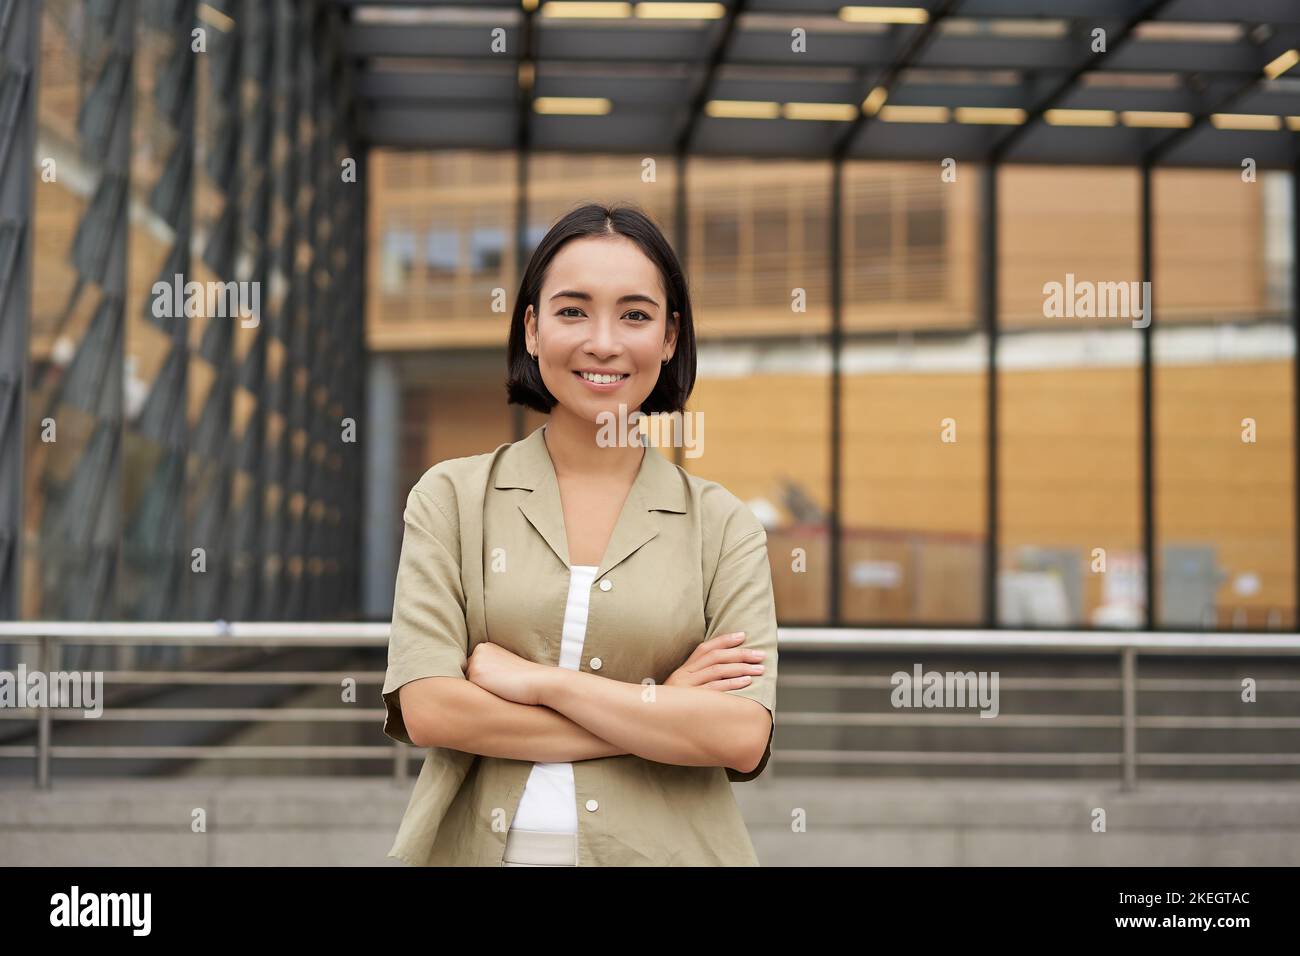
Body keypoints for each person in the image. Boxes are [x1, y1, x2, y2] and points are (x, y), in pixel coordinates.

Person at [380, 202, 779, 866]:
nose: (603, 341)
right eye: (572, 311)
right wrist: (662, 707)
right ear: (532, 329)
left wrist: (541, 684)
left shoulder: (722, 525)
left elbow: (738, 735)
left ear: (670, 337)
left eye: (635, 314)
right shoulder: (452, 498)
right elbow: (431, 711)